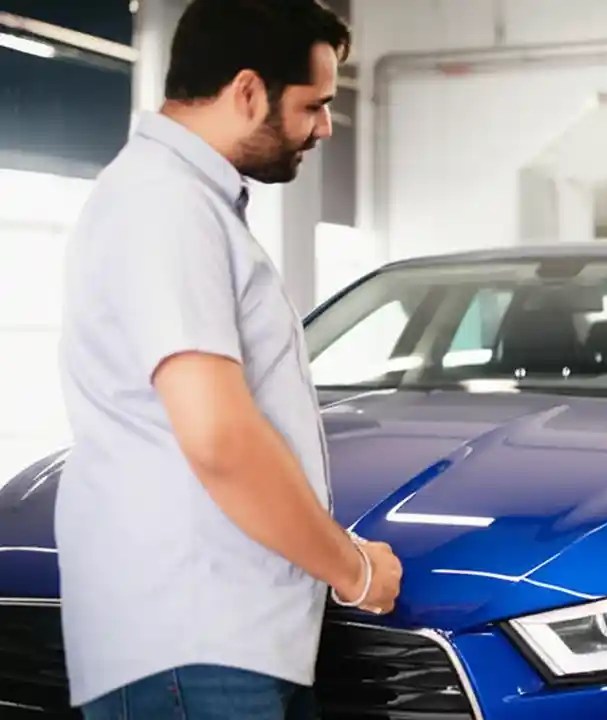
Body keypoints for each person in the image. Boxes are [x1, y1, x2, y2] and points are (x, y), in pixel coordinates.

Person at [55, 1, 401, 717]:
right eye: (315, 105)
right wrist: (354, 570)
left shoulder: (183, 202)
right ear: (248, 91)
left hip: (217, 639)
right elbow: (219, 437)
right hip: (193, 645)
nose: (326, 127)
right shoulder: (165, 204)